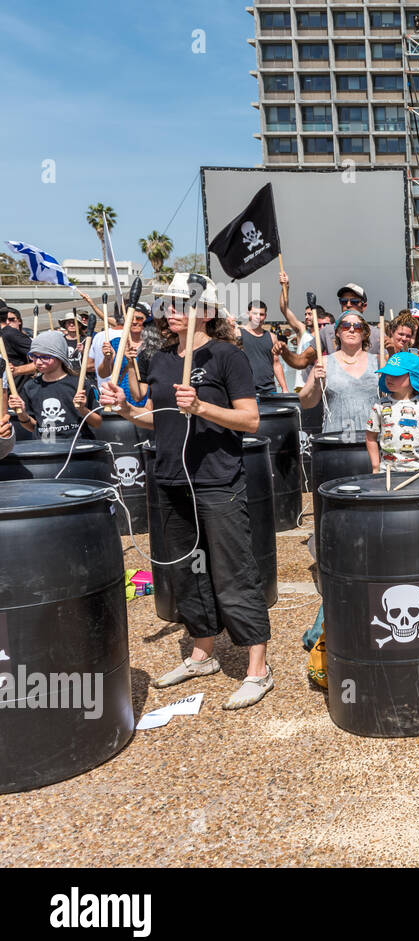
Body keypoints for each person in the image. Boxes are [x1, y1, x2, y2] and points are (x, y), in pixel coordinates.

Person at [100, 274, 273, 709]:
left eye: (181, 303)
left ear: (207, 311)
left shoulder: (227, 356)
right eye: (168, 304)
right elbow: (157, 418)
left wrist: (201, 406)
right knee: (186, 573)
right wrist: (126, 409)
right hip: (171, 479)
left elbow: (251, 420)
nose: (170, 311)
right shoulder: (160, 359)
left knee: (234, 573)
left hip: (217, 479)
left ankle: (258, 668)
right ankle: (202, 654)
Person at [299, 309, 379, 435]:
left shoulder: (379, 362)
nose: (351, 330)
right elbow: (306, 403)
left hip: (372, 439)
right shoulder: (324, 363)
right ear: (337, 332)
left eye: (358, 327)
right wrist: (316, 384)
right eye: (346, 326)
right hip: (336, 438)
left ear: (365, 333)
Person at [8, 331, 101, 439]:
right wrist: (21, 414)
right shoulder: (30, 387)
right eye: (34, 356)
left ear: (60, 357)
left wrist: (82, 409)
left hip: (77, 445)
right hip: (45, 446)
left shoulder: (80, 384)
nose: (38, 362)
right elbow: (33, 427)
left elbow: (97, 423)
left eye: (45, 357)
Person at [365, 351, 419, 473]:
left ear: (413, 377)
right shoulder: (380, 405)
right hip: (389, 471)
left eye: (396, 375)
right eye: (387, 374)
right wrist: (375, 466)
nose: (389, 378)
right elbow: (370, 437)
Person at [238, 299, 286, 396]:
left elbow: (276, 363)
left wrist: (284, 388)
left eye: (261, 314)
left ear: (265, 316)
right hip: (246, 389)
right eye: (255, 313)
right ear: (248, 314)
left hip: (269, 389)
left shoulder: (272, 337)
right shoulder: (238, 333)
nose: (258, 317)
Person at [1, 306, 35, 389]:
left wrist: (17, 370)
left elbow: (45, 358)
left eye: (11, 319)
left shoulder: (11, 334)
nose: (7, 322)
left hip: (18, 390)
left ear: (19, 321)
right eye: (4, 320)